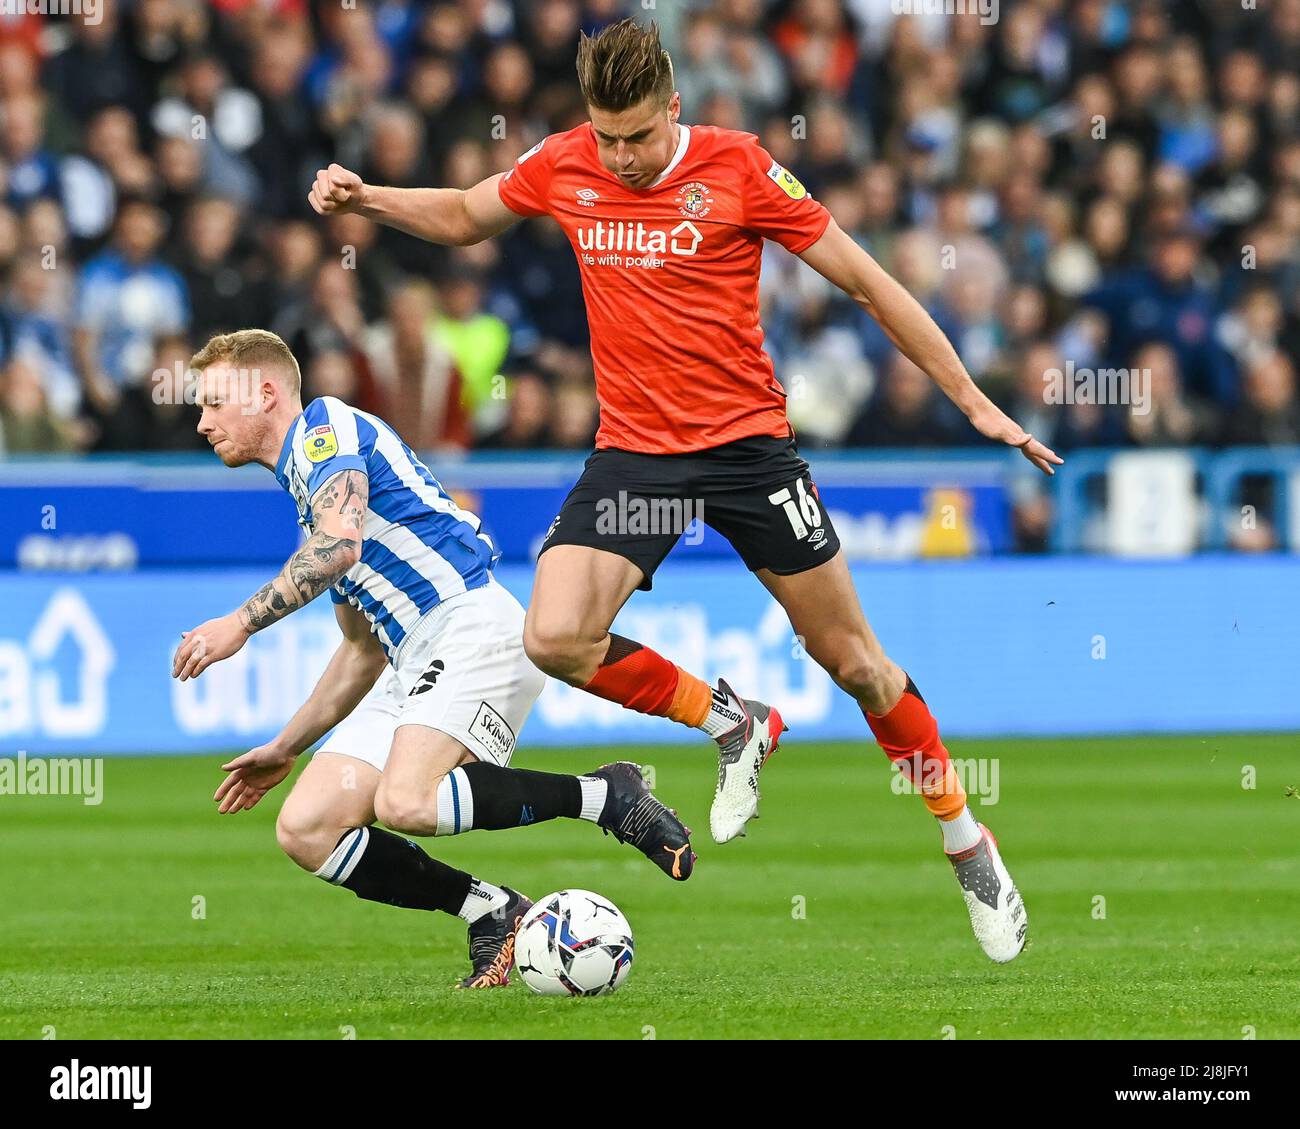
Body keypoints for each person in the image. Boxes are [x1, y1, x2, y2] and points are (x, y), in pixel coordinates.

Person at [307, 20, 1060, 964]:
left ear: (675, 107)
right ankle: (732, 719)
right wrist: (367, 196)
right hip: (639, 461)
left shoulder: (741, 168)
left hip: (750, 453)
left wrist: (974, 402)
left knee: (857, 663)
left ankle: (964, 837)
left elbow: (868, 282)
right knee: (553, 635)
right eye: (606, 137)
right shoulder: (567, 163)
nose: (620, 157)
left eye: (639, 137)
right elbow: (465, 213)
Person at [171, 328, 694, 988]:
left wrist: (240, 623)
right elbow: (361, 650)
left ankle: (603, 794)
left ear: (265, 392)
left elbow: (340, 547)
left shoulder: (323, 429)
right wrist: (287, 745)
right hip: (410, 656)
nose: (201, 421)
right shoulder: (311, 493)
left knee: (407, 801)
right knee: (306, 828)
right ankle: (493, 910)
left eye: (214, 402)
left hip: (471, 627)